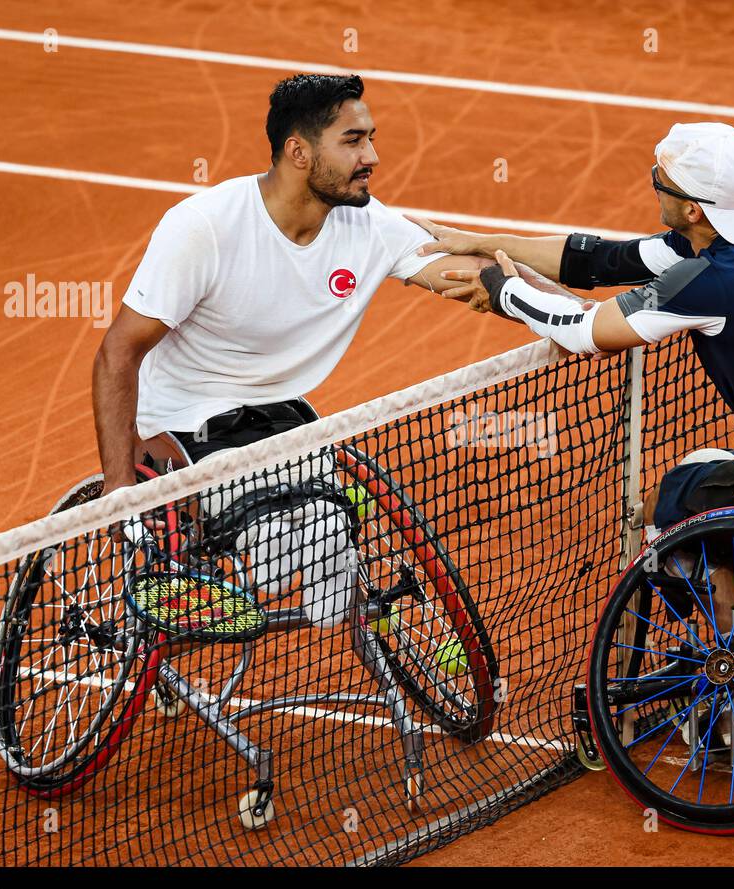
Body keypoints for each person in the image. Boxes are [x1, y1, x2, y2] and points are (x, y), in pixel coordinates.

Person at [417, 121, 734, 740]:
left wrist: (504, 290)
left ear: (688, 205)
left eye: (659, 181)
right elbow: (595, 261)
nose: (651, 185)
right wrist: (485, 241)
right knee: (710, 467)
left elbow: (582, 332)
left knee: (667, 507)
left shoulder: (715, 281)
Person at [92, 73, 491, 625]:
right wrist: (117, 489)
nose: (372, 155)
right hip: (186, 422)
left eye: (371, 137)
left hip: (283, 420)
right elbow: (118, 353)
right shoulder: (203, 227)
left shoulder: (370, 227)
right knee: (276, 559)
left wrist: (579, 317)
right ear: (298, 151)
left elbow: (478, 276)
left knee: (330, 563)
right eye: (352, 141)